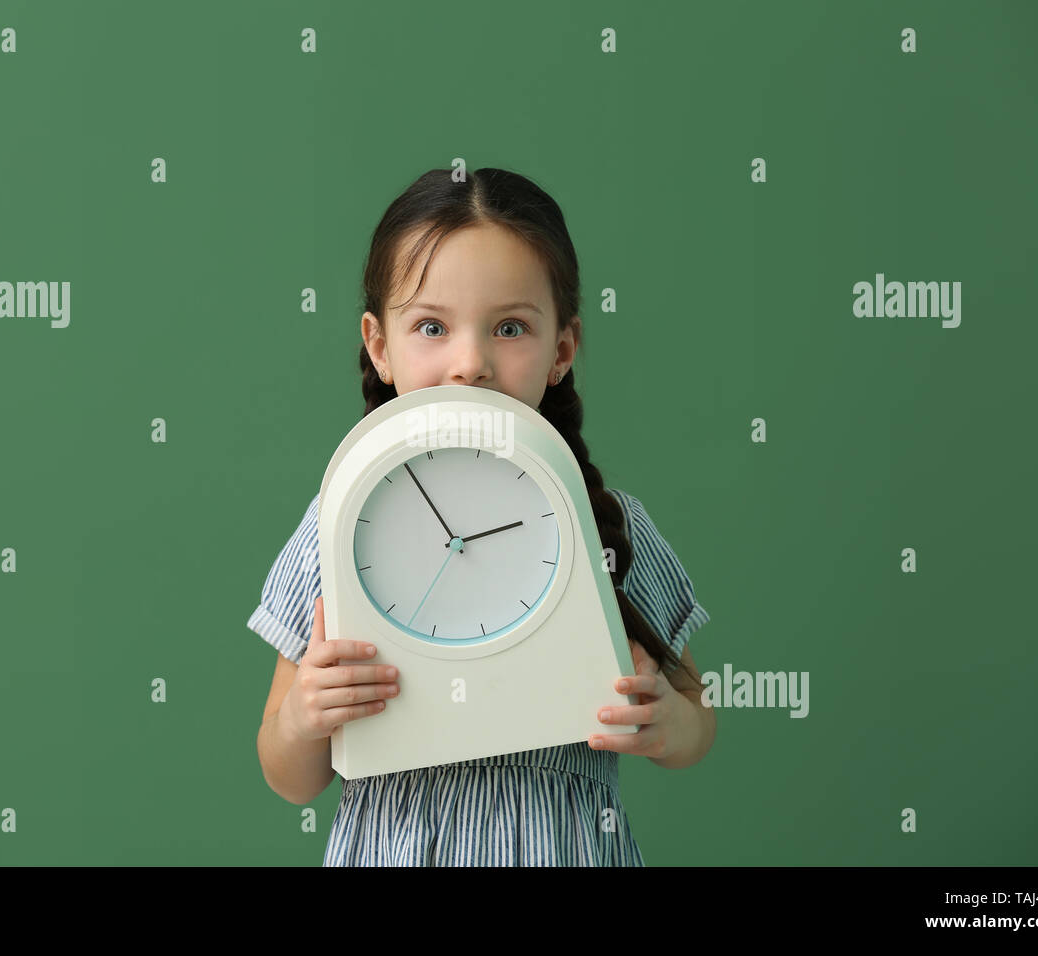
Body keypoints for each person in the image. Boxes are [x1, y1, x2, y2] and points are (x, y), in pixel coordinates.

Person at [251, 167, 714, 866]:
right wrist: (304, 717)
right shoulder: (333, 523)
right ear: (379, 345)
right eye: (431, 325)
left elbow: (696, 722)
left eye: (509, 327)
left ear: (562, 350)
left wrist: (663, 721)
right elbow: (289, 776)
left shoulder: (610, 522)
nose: (470, 363)